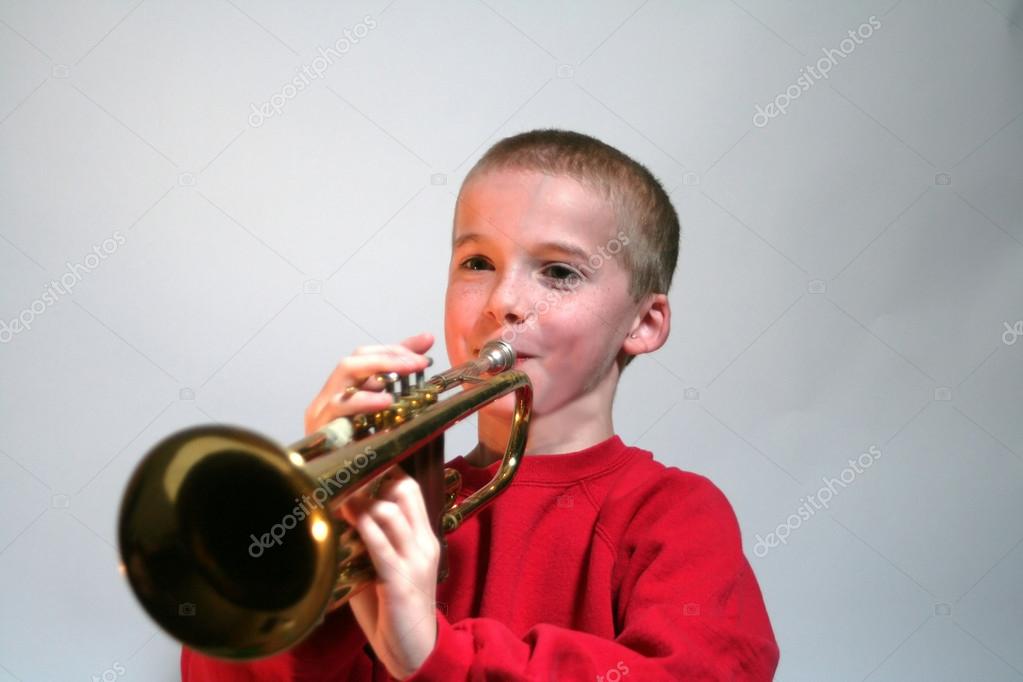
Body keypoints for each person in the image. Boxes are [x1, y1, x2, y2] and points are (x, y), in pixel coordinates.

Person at [181, 129, 780, 680]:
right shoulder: (402, 503)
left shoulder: (674, 514)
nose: (504, 301)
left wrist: (434, 655)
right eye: (477, 263)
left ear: (644, 323)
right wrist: (317, 516)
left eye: (559, 272)